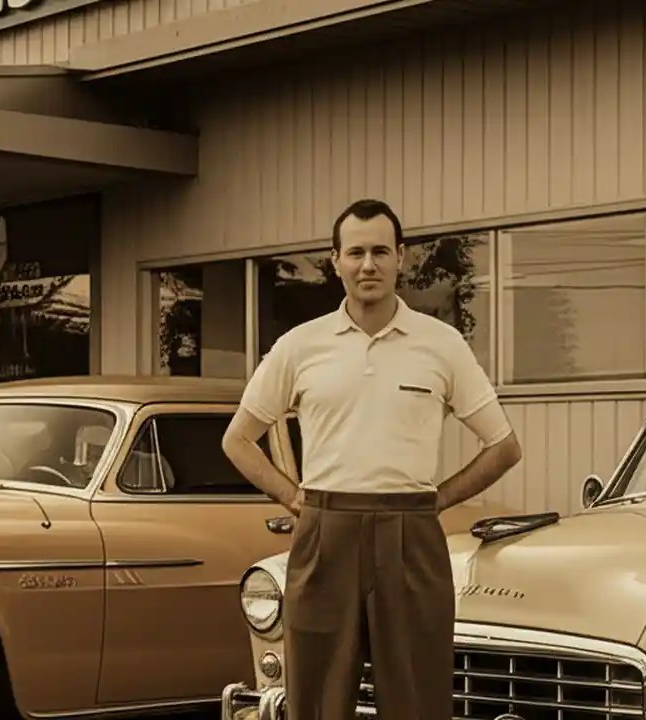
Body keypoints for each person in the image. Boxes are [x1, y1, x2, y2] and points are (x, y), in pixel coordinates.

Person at [221, 198, 522, 720]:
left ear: (401, 257)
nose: (368, 265)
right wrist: (295, 497)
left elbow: (503, 446)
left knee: (416, 696)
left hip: (411, 534)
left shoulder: (442, 344)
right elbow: (238, 440)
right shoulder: (299, 346)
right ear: (334, 259)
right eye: (355, 252)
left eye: (381, 251)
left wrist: (437, 498)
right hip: (324, 530)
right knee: (316, 698)